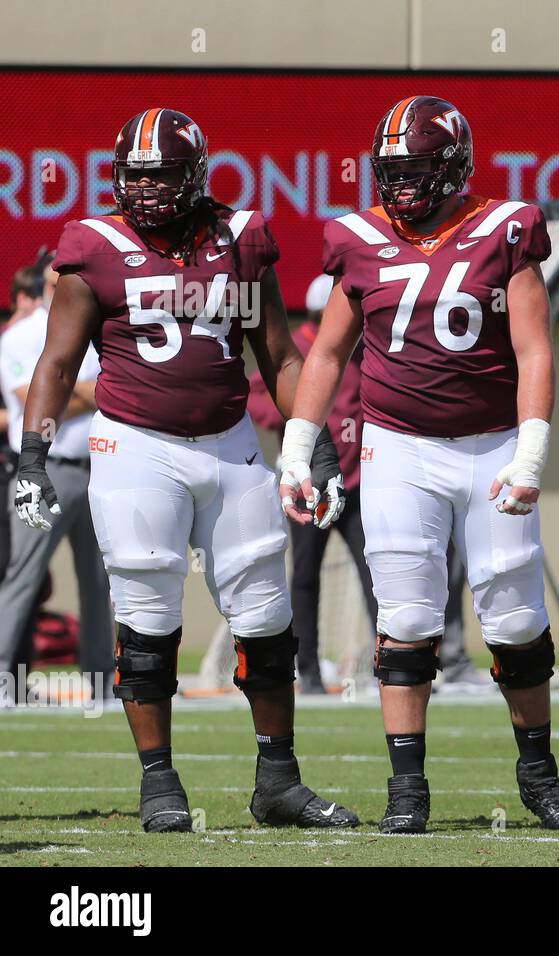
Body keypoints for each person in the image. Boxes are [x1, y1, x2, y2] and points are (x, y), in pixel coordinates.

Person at [14, 108, 357, 831]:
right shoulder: (94, 246)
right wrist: (33, 457)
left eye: (161, 175)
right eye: (135, 177)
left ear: (195, 176)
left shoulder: (241, 236)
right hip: (135, 448)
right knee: (145, 618)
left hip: (231, 440)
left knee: (267, 615)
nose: (145, 191)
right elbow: (58, 361)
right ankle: (159, 781)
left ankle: (278, 780)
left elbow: (281, 355)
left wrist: (313, 443)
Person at [281, 96, 559, 834]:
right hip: (398, 447)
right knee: (408, 616)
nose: (402, 186)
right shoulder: (357, 238)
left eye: (417, 170)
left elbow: (534, 348)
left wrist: (533, 451)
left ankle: (538, 773)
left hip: (488, 443)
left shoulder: (504, 229)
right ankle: (407, 785)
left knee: (516, 620)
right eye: (392, 171)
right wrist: (297, 447)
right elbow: (327, 351)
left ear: (453, 166)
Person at [247, 274, 376, 694]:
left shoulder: (359, 350)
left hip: (353, 483)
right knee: (304, 577)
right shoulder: (299, 347)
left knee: (373, 571)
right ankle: (309, 672)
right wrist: (290, 426)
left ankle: (386, 665)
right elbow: (255, 397)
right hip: (309, 485)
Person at [0, 260, 112, 702]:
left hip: (98, 468)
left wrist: (62, 387)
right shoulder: (20, 336)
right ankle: (3, 678)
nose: (59, 289)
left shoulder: (95, 328)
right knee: (22, 576)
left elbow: (108, 390)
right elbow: (31, 398)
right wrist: (71, 388)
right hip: (45, 468)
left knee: (101, 580)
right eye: (51, 283)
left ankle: (103, 683)